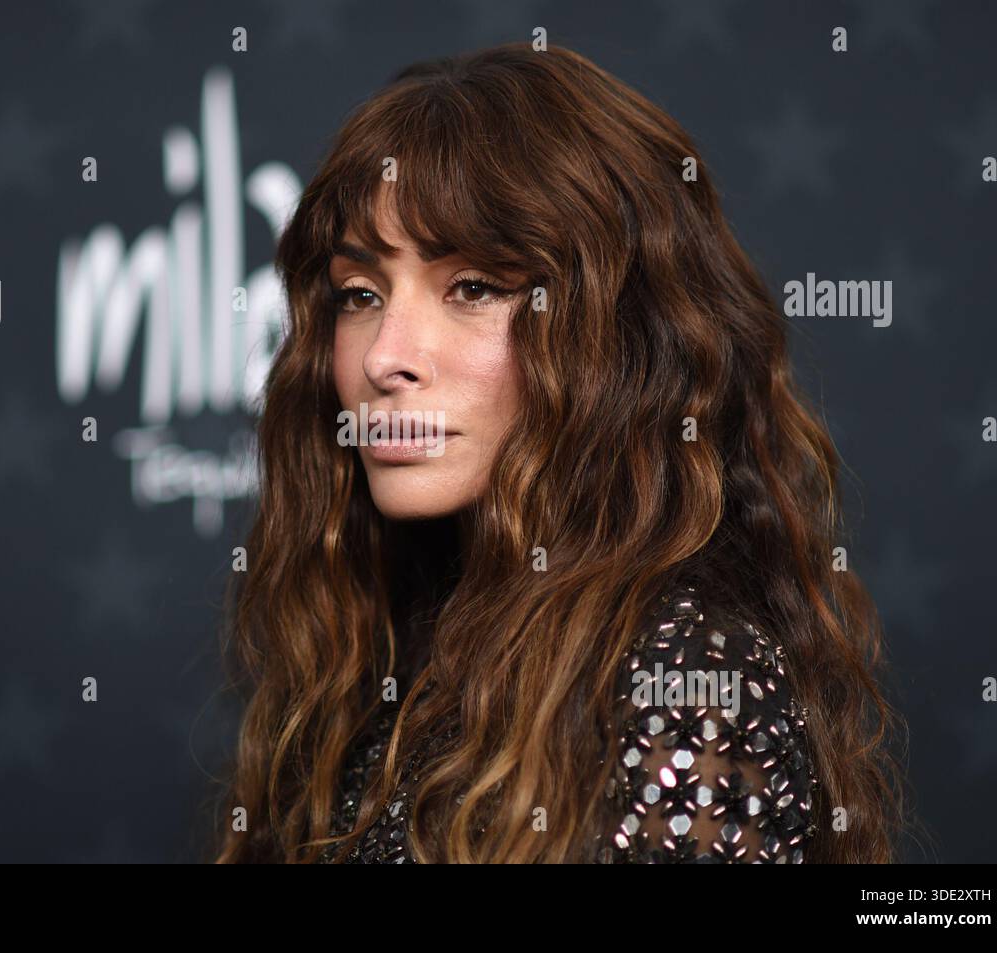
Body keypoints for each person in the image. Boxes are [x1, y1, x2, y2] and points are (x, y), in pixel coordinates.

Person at [213, 42, 907, 863]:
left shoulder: (686, 685)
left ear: (618, 336)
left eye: (472, 287)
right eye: (360, 294)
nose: (381, 357)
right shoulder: (387, 650)